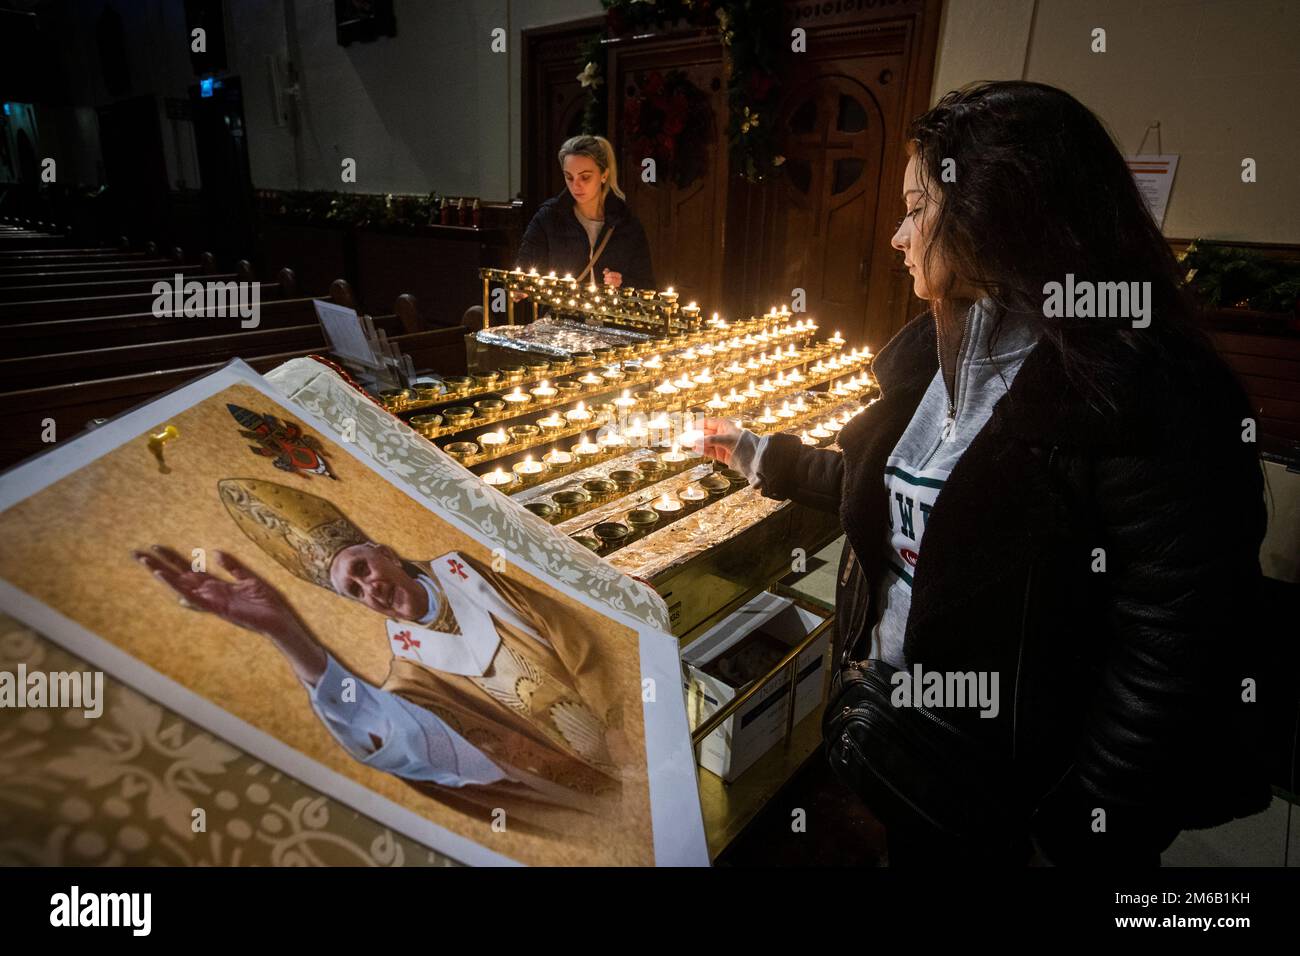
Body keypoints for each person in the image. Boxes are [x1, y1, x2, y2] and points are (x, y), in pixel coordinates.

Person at [693, 81, 1272, 866]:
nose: (897, 236)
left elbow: (1175, 653)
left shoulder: (1142, 393)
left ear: (994, 211)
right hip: (922, 757)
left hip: (1029, 801)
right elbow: (910, 497)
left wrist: (1078, 833)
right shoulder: (944, 355)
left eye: (916, 208)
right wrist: (757, 453)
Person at [133, 477, 627, 834]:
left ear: (386, 553)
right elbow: (395, 733)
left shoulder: (470, 571)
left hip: (634, 726)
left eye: (363, 569)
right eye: (354, 590)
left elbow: (575, 629)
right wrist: (284, 631)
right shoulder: (413, 675)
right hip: (604, 798)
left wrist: (619, 724)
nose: (370, 587)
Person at [515, 134, 656, 294]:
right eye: (569, 177)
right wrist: (520, 287)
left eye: (585, 177)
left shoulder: (626, 224)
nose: (576, 185)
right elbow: (524, 270)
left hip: (610, 311)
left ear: (604, 175)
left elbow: (647, 287)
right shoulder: (549, 218)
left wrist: (623, 282)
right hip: (560, 310)